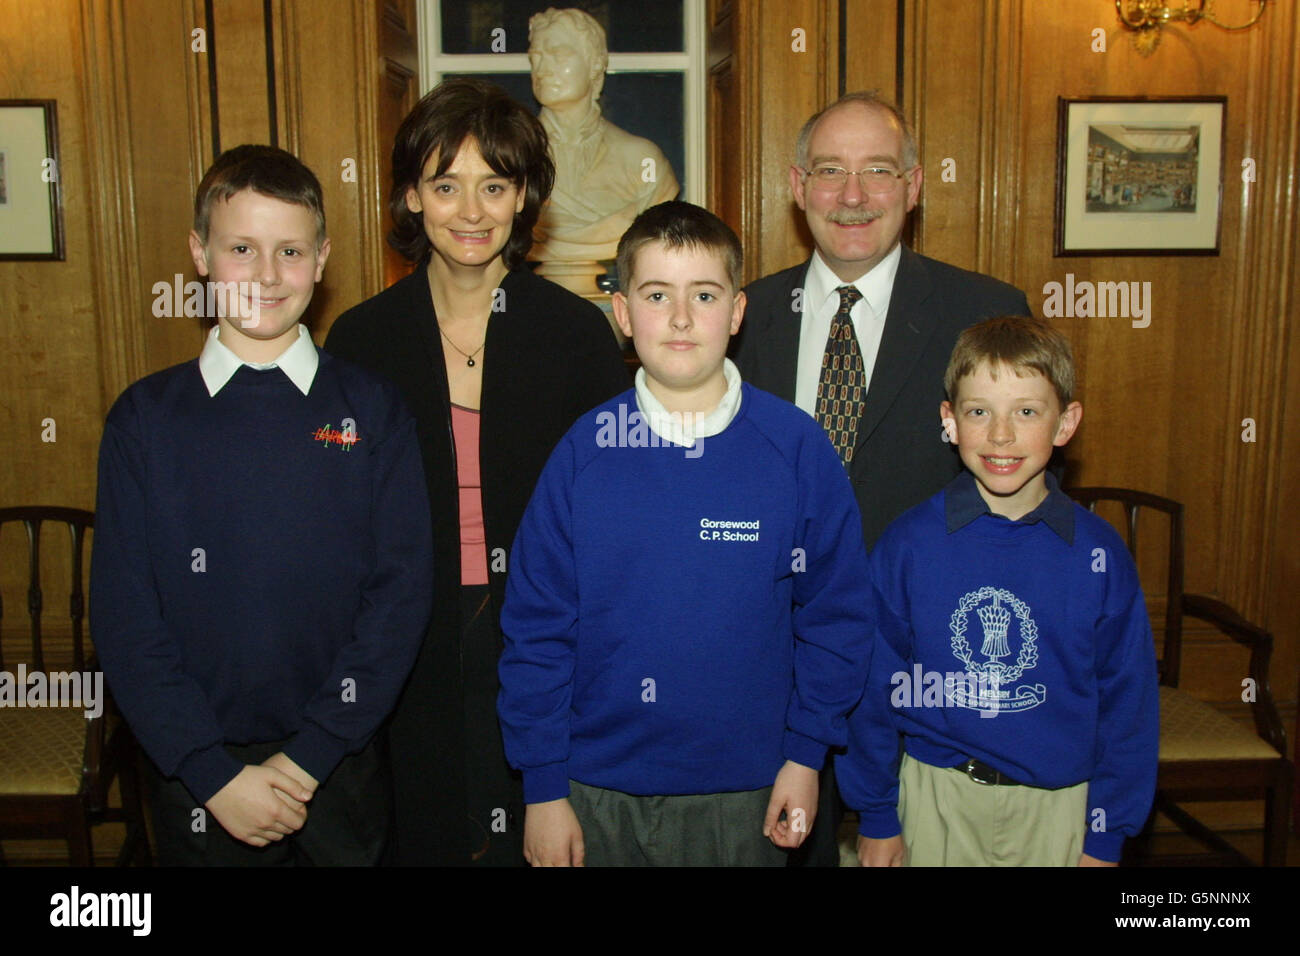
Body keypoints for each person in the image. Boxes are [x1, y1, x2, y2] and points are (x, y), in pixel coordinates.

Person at [497, 201, 872, 866]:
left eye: (703, 294)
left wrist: (805, 755)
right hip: (594, 788)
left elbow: (836, 617)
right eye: (655, 294)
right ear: (621, 314)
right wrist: (543, 786)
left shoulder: (795, 449)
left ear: (736, 312)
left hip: (749, 789)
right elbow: (537, 628)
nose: (678, 318)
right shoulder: (584, 453)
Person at [90, 145, 433, 865]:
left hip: (340, 766)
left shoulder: (372, 409)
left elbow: (400, 596)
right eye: (242, 248)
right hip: (196, 774)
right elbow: (125, 617)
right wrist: (211, 772)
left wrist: (310, 757)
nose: (268, 275)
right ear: (200, 254)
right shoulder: (145, 421)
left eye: (290, 250)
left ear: (322, 258)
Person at [325, 78, 629, 866]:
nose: (470, 210)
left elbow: (610, 516)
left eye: (494, 185)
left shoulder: (576, 335)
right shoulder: (363, 339)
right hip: (406, 639)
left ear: (523, 197)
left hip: (542, 635)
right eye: (445, 184)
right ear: (411, 198)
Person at [731, 90, 1032, 865]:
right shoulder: (742, 319)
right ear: (797, 187)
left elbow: (1018, 496)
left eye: (877, 171)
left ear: (915, 185)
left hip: (933, 665)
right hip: (775, 662)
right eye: (830, 171)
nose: (853, 196)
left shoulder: (985, 313)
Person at [838, 315, 1159, 866]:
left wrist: (1105, 837)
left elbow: (1127, 704)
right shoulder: (908, 545)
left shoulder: (1098, 556)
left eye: (1027, 412)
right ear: (950, 420)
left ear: (1065, 423)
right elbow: (871, 687)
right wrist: (876, 813)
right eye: (979, 411)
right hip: (936, 799)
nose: (1001, 435)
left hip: (1059, 809)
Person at [527, 7, 680, 280]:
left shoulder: (642, 160)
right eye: (535, 56)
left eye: (558, 54)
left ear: (595, 64)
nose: (542, 68)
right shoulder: (512, 158)